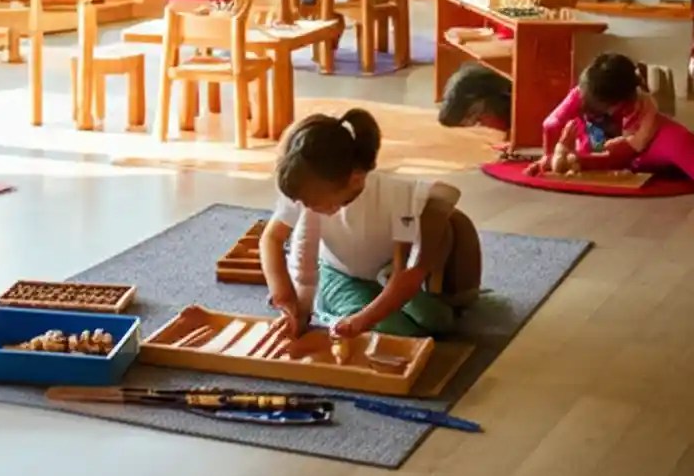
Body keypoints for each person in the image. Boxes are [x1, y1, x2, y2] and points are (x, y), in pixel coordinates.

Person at [259, 109, 482, 339]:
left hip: (387, 274)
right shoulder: (305, 189)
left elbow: (407, 274)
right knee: (400, 331)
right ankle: (333, 302)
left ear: (356, 179)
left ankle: (370, 301)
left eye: (314, 203)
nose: (307, 208)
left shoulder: (395, 198)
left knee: (438, 321)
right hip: (340, 274)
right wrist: (285, 296)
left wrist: (361, 320)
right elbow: (273, 239)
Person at [527, 53, 694, 179]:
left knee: (679, 141)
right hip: (592, 156)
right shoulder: (582, 95)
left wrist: (629, 146)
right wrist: (549, 156)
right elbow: (551, 124)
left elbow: (635, 146)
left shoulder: (642, 104)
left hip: (638, 149)